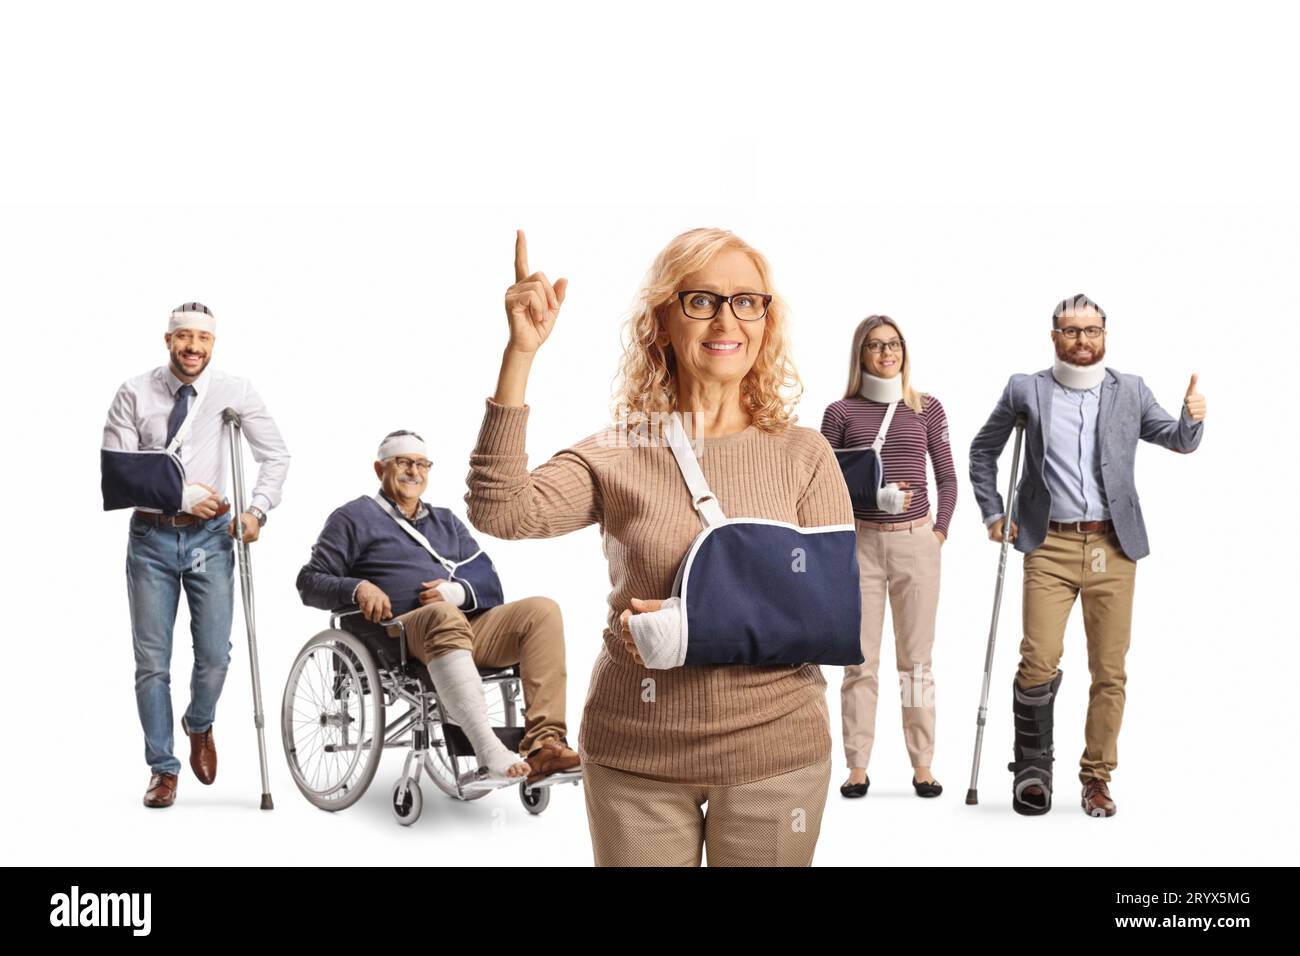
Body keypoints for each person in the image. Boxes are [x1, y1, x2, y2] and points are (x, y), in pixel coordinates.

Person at [464, 228, 852, 866]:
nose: (727, 318)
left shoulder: (803, 453)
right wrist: (521, 354)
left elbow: (832, 616)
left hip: (774, 757)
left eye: (747, 301)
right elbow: (501, 510)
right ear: (662, 321)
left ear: (765, 320)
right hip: (635, 757)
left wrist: (688, 627)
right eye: (701, 300)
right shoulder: (622, 447)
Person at [968, 293, 1206, 817]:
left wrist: (1192, 420)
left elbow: (1178, 442)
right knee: (1039, 660)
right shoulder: (1025, 389)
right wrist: (992, 513)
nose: (1083, 340)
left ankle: (1096, 778)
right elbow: (983, 449)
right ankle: (1032, 769)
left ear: (1105, 334)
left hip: (1112, 546)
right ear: (1053, 336)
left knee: (1109, 671)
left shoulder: (1131, 391)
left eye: (1092, 330)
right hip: (1047, 543)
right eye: (1072, 331)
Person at [295, 430, 580, 782]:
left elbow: (490, 582)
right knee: (440, 615)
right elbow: (308, 582)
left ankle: (545, 746)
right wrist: (358, 587)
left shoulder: (446, 521)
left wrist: (456, 592)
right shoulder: (352, 518)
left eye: (422, 464)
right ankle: (488, 748)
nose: (414, 471)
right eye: (403, 462)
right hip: (397, 634)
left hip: (463, 626)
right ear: (379, 468)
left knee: (543, 611)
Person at [101, 302, 290, 808]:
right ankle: (163, 768)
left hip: (211, 538)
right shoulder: (134, 393)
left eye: (202, 339)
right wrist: (179, 495)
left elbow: (275, 454)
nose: (192, 348)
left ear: (213, 343)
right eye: (183, 337)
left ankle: (199, 722)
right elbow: (119, 475)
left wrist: (257, 511)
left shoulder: (235, 391)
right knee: (152, 663)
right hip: (151, 539)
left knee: (214, 655)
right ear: (168, 341)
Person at [820, 315, 957, 800]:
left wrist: (938, 533)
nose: (886, 354)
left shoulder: (927, 408)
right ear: (861, 355)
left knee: (916, 663)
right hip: (861, 547)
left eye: (894, 344)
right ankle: (857, 766)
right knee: (860, 662)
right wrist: (874, 499)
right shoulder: (840, 413)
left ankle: (923, 765)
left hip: (917, 544)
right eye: (876, 346)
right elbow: (826, 487)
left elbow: (947, 477)